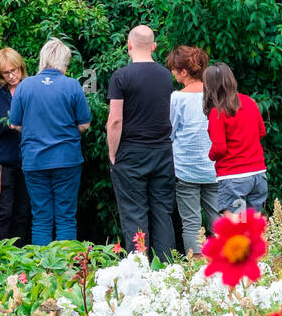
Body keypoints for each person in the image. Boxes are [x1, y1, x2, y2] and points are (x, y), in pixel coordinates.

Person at [9, 38, 91, 245]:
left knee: (41, 217)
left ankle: (41, 272)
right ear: (64, 62)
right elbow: (84, 124)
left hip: (34, 160)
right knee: (65, 217)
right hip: (66, 159)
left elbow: (15, 124)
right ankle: (67, 270)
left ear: (43, 58)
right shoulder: (72, 85)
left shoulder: (25, 86)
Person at [107, 25, 176, 260]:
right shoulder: (166, 76)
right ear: (154, 46)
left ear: (129, 45)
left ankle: (139, 269)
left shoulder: (121, 77)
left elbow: (115, 120)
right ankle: (166, 269)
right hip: (162, 151)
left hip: (131, 152)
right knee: (162, 212)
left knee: (134, 213)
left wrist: (112, 153)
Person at [165, 46, 218, 255]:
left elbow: (170, 131)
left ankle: (195, 269)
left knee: (191, 224)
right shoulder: (215, 94)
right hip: (213, 168)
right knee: (218, 221)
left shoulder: (177, 98)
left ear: (183, 71)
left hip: (185, 169)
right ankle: (223, 266)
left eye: (174, 69)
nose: (172, 73)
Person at [203, 62, 268, 216]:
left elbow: (219, 148)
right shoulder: (249, 102)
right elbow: (261, 132)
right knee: (253, 229)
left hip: (234, 178)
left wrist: (210, 155)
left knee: (237, 230)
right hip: (258, 174)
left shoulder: (217, 112)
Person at [0, 47, 31, 244]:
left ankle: (19, 258)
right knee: (3, 212)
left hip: (27, 160)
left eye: (15, 70)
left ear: (21, 67)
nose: (12, 76)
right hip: (1, 162)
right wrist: (9, 124)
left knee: (23, 212)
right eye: (7, 72)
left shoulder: (30, 88)